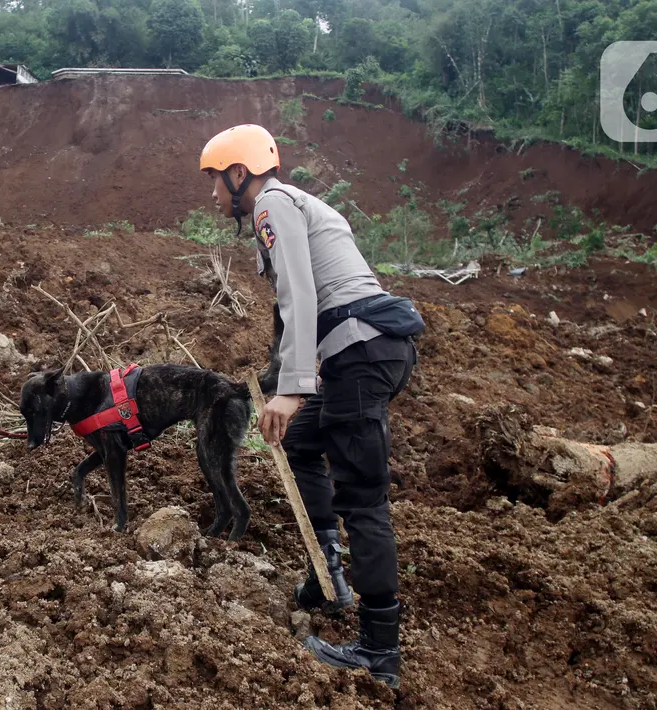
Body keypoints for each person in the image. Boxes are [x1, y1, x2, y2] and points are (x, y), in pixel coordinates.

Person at [199, 124, 423, 689]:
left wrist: (293, 388)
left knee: (363, 500)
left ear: (238, 173)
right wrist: (280, 380)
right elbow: (288, 314)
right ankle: (329, 579)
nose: (213, 196)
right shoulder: (287, 207)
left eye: (214, 181)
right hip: (362, 351)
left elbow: (301, 290)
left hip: (361, 352)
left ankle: (379, 650)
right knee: (300, 441)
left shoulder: (271, 203)